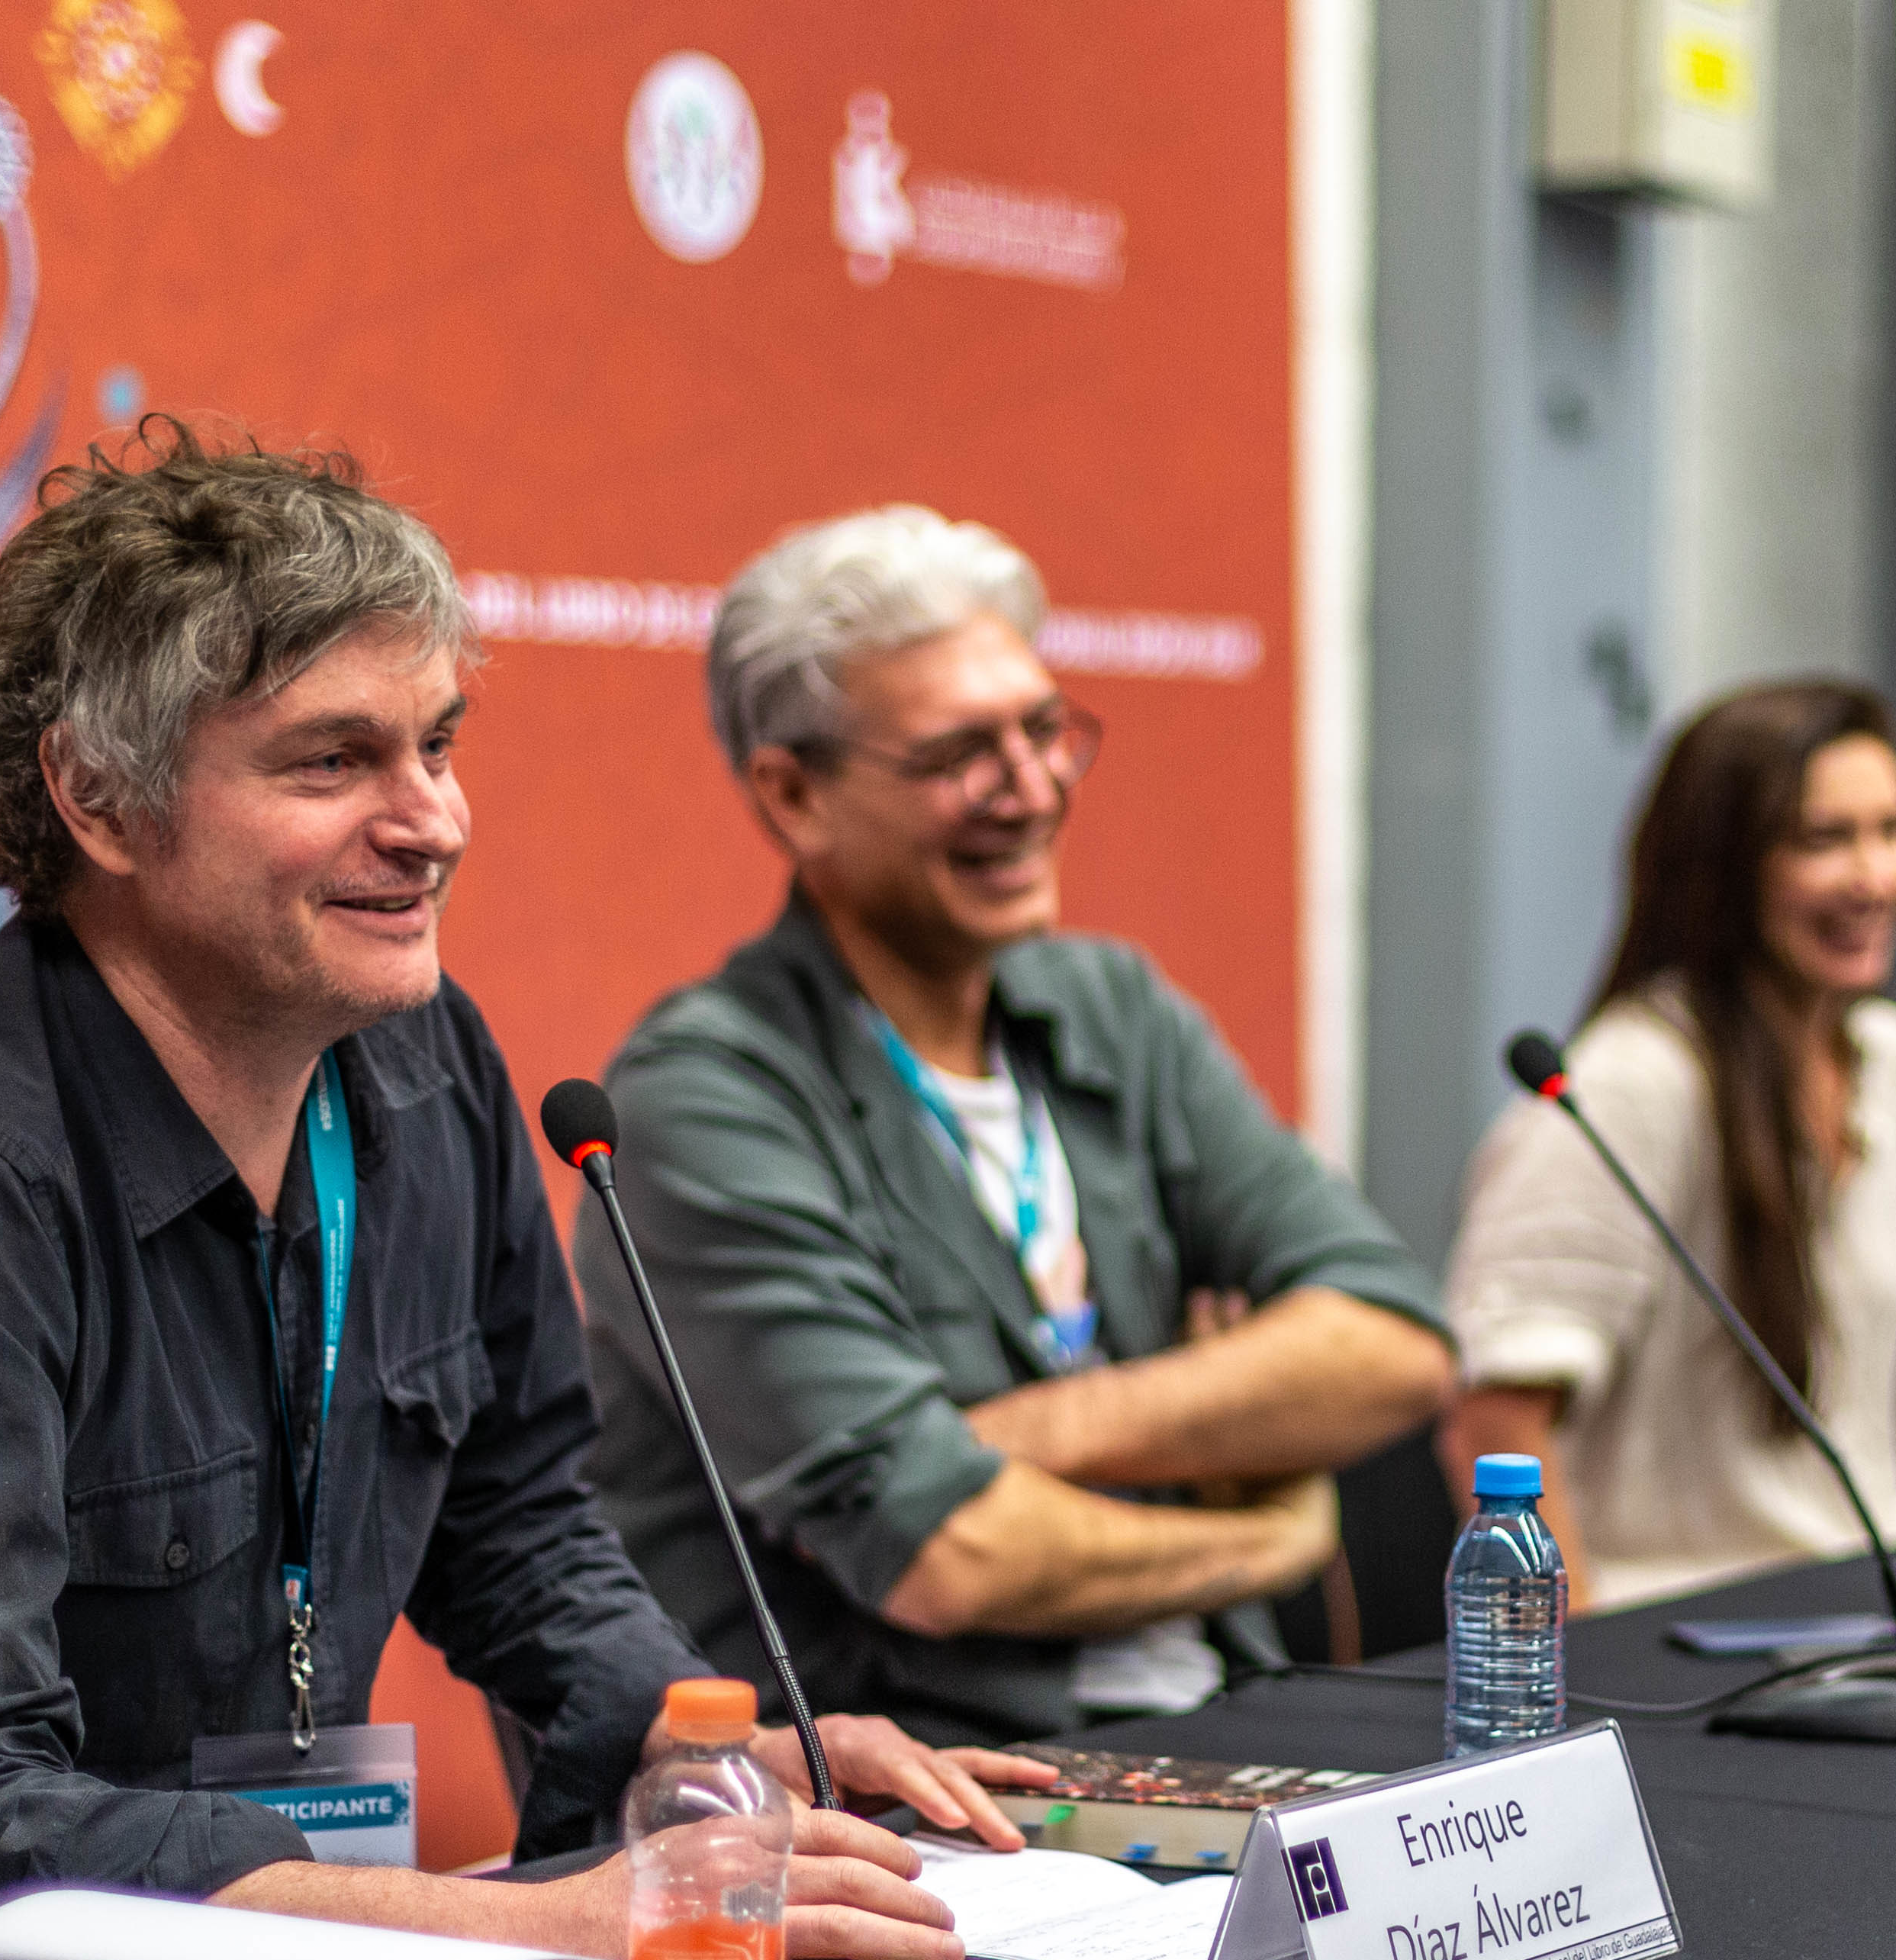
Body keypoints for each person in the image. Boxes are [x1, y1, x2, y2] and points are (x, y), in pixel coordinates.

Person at [0, 428, 1045, 1960]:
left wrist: (713, 1758)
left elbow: (520, 1524)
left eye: (438, 744)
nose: (435, 823)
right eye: (334, 763)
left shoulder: (426, 1066)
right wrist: (547, 1928)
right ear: (98, 800)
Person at [580, 506, 1453, 1743]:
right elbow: (951, 1554)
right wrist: (1264, 1533)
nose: (1034, 789)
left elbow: (1394, 1339)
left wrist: (1029, 1434)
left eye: (1045, 730)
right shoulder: (708, 1095)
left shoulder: (1115, 1008)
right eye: (958, 756)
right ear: (794, 794)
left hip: (1216, 1721)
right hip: (925, 1788)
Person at [1441, 681, 1896, 1611]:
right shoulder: (1633, 1085)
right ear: (1723, 867)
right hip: (1679, 1653)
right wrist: (1575, 1697)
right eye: (1825, 840)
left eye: (1892, 829)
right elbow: (1494, 1422)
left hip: (1872, 1624)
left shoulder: (1893, 1061)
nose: (1876, 876)